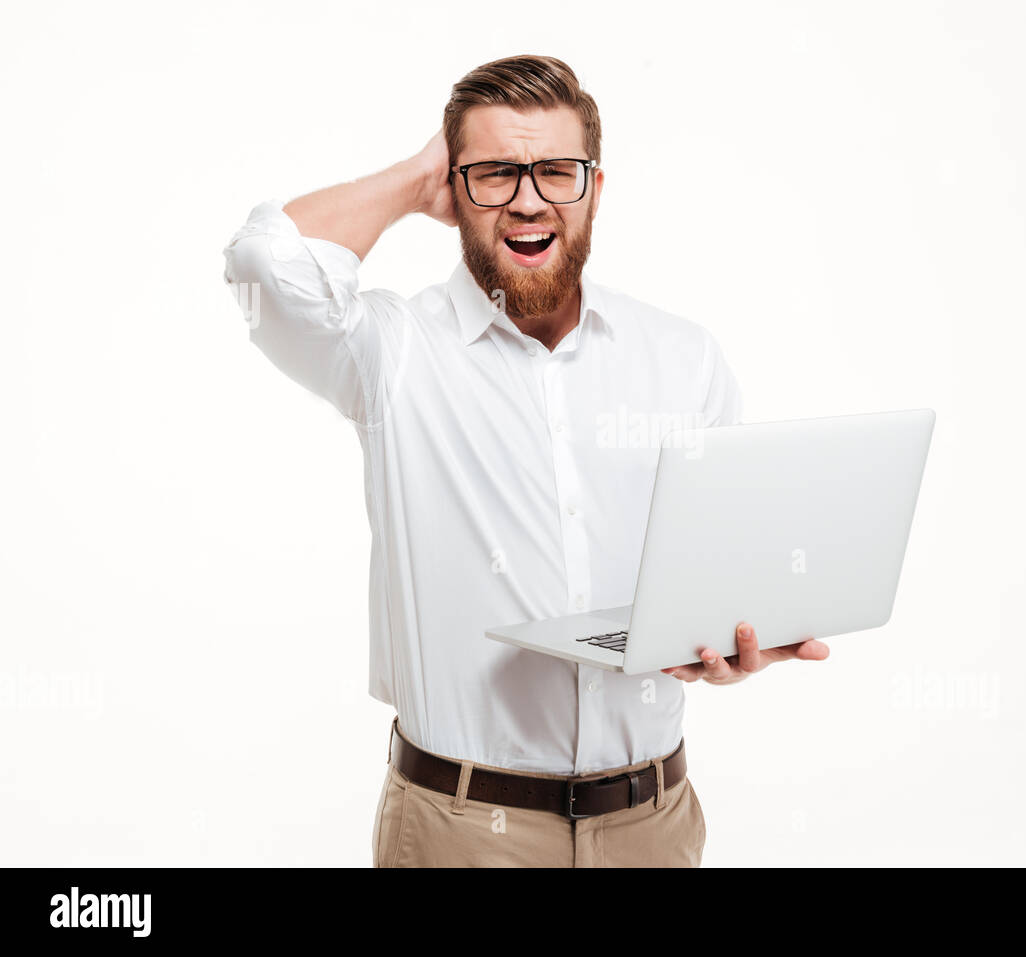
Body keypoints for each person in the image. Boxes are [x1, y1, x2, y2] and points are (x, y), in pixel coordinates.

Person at [221, 54, 829, 868]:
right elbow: (263, 261)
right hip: (462, 831)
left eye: (555, 171)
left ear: (596, 189)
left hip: (653, 822)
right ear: (455, 190)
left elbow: (714, 567)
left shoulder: (683, 359)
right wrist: (413, 178)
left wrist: (724, 644)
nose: (529, 198)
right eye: (496, 174)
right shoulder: (393, 353)